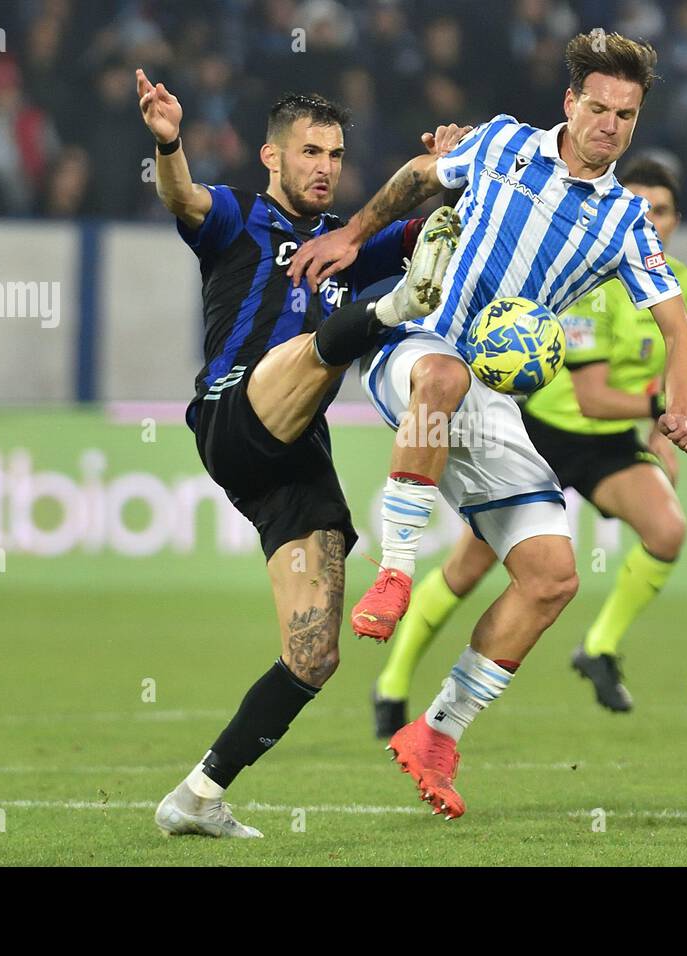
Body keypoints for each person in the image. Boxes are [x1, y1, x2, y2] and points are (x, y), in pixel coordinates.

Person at [287, 32, 687, 819]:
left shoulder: (624, 222)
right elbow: (419, 174)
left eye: (627, 114)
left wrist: (678, 405)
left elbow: (679, 329)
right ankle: (397, 570)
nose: (611, 125)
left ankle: (436, 735)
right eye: (599, 107)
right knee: (442, 374)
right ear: (569, 104)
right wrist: (348, 236)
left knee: (552, 576)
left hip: (494, 391)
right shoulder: (506, 141)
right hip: (416, 344)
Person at [135, 68, 464, 838]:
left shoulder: (354, 242)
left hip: (295, 454)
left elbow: (439, 227)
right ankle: (397, 309)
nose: (324, 166)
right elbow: (181, 197)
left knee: (314, 655)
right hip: (235, 411)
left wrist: (454, 172)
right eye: (310, 151)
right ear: (272, 158)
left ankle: (197, 796)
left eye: (336, 154)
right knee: (316, 348)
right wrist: (168, 142)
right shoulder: (237, 217)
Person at [370, 155, 687, 730]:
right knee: (468, 569)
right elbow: (591, 396)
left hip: (605, 444)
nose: (650, 222)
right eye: (642, 209)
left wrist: (666, 434)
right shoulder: (588, 282)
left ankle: (599, 648)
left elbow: (658, 367)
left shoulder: (682, 287)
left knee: (668, 528)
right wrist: (661, 410)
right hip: (544, 432)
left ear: (677, 221)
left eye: (662, 211)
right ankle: (393, 681)